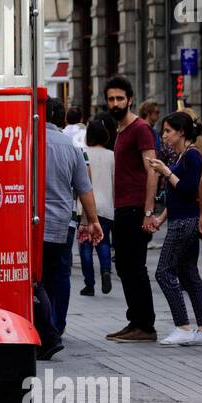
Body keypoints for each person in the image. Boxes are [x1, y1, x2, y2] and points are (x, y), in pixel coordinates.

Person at [40, 97, 103, 353]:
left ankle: (45, 331)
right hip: (63, 222)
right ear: (62, 119)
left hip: (34, 224)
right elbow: (84, 189)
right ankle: (58, 324)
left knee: (38, 278)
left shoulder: (27, 140)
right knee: (61, 274)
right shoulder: (72, 147)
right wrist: (93, 221)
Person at [147, 112, 202, 346]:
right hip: (180, 219)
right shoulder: (183, 155)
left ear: (181, 132)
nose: (164, 136)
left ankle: (183, 326)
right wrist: (161, 218)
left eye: (168, 131)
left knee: (163, 272)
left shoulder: (192, 156)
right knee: (188, 274)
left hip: (185, 222)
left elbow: (187, 190)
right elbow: (175, 198)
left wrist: (166, 172)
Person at [104, 76, 158, 342]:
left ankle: (145, 326)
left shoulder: (140, 129)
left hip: (135, 208)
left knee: (135, 267)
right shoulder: (120, 130)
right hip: (122, 208)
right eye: (111, 99)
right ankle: (134, 320)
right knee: (125, 266)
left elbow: (152, 171)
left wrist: (148, 211)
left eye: (120, 99)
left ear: (130, 100)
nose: (115, 103)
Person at [78, 116, 114, 297]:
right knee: (103, 241)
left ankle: (89, 284)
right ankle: (106, 270)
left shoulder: (83, 153)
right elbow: (115, 182)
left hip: (86, 205)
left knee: (85, 245)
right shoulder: (111, 155)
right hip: (106, 205)